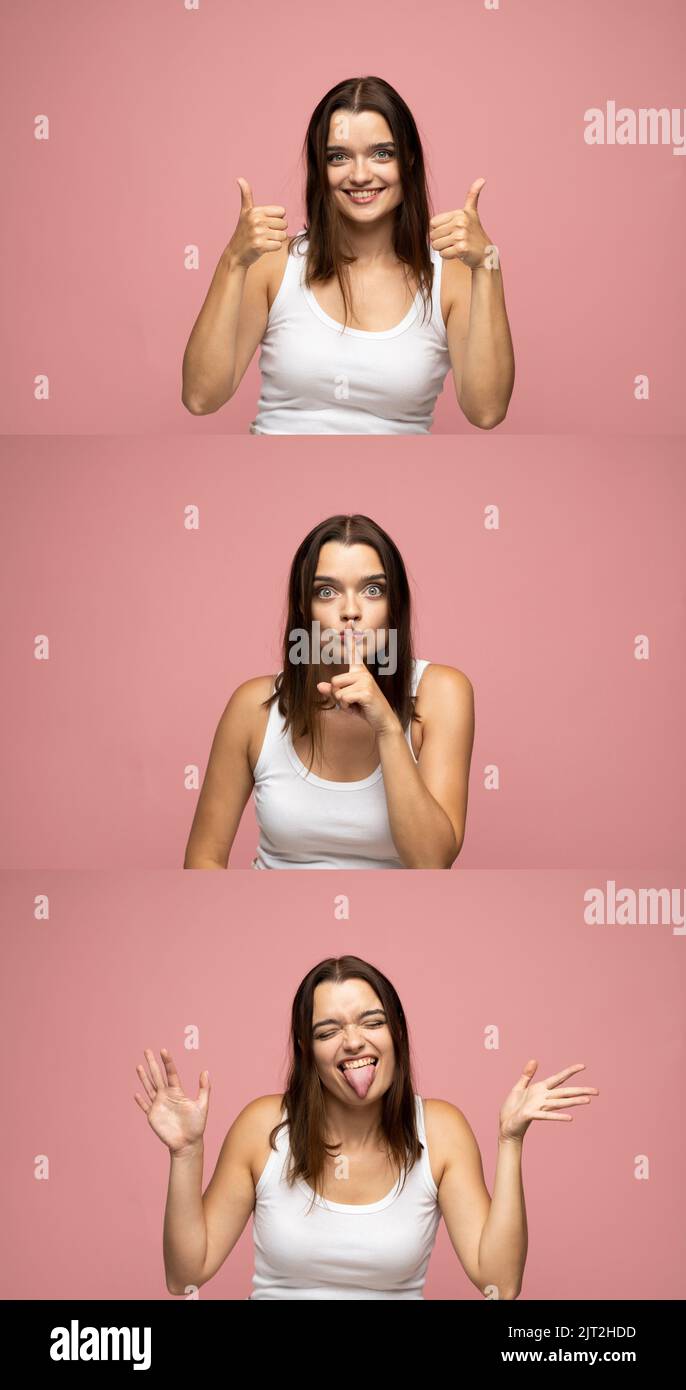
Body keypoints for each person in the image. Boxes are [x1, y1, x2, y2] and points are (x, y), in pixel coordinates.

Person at [134, 956, 599, 1300]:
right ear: (306, 1049)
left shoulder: (441, 1130)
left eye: (371, 1022)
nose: (353, 1041)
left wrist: (510, 1142)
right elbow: (185, 1274)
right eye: (327, 1030)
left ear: (396, 1030)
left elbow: (500, 1281)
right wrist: (185, 1153)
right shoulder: (264, 1127)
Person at [181, 76, 514, 434]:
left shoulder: (452, 278)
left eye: (382, 153)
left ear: (410, 159)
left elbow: (487, 411)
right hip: (276, 480)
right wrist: (233, 260)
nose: (359, 175)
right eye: (338, 157)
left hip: (396, 485)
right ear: (320, 169)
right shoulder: (273, 265)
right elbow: (201, 398)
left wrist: (486, 267)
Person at [183, 514, 475, 869]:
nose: (350, 611)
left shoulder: (442, 693)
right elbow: (204, 858)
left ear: (394, 605)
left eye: (373, 590)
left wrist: (387, 727)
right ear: (305, 606)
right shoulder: (252, 707)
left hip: (397, 921)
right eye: (326, 591)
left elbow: (432, 863)